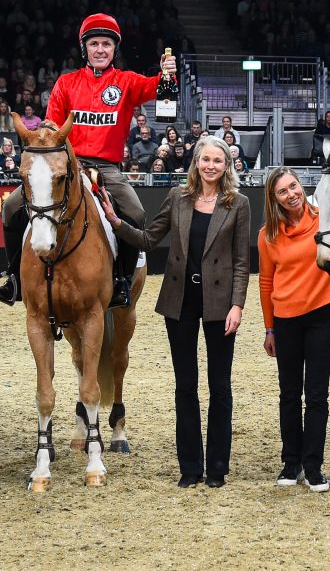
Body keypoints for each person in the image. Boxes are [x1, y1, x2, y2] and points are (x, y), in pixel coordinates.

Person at [0, 13, 177, 308]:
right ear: (84, 48)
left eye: (106, 44)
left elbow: (160, 91)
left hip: (105, 168)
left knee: (136, 213)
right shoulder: (66, 83)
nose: (100, 49)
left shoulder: (126, 81)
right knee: (12, 207)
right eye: (94, 44)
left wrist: (168, 75)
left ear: (115, 49)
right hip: (66, 165)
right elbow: (50, 128)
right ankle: (14, 278)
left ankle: (121, 281)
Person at [99, 137, 249, 488]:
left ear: (227, 165)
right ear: (196, 162)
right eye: (205, 159)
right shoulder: (177, 198)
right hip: (179, 300)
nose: (211, 165)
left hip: (220, 304)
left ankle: (216, 468)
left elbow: (242, 261)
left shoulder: (238, 204)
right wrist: (116, 223)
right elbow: (150, 239)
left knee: (220, 387)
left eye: (218, 160)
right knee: (186, 386)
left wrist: (237, 305)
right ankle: (190, 467)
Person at [259, 166, 330, 493]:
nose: (291, 194)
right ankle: (290, 462)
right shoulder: (268, 234)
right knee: (288, 394)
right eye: (283, 191)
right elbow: (266, 282)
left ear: (301, 185)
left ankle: (313, 466)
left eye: (293, 186)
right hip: (285, 319)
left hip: (323, 315)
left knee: (316, 395)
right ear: (274, 199)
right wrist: (269, 329)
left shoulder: (326, 219)